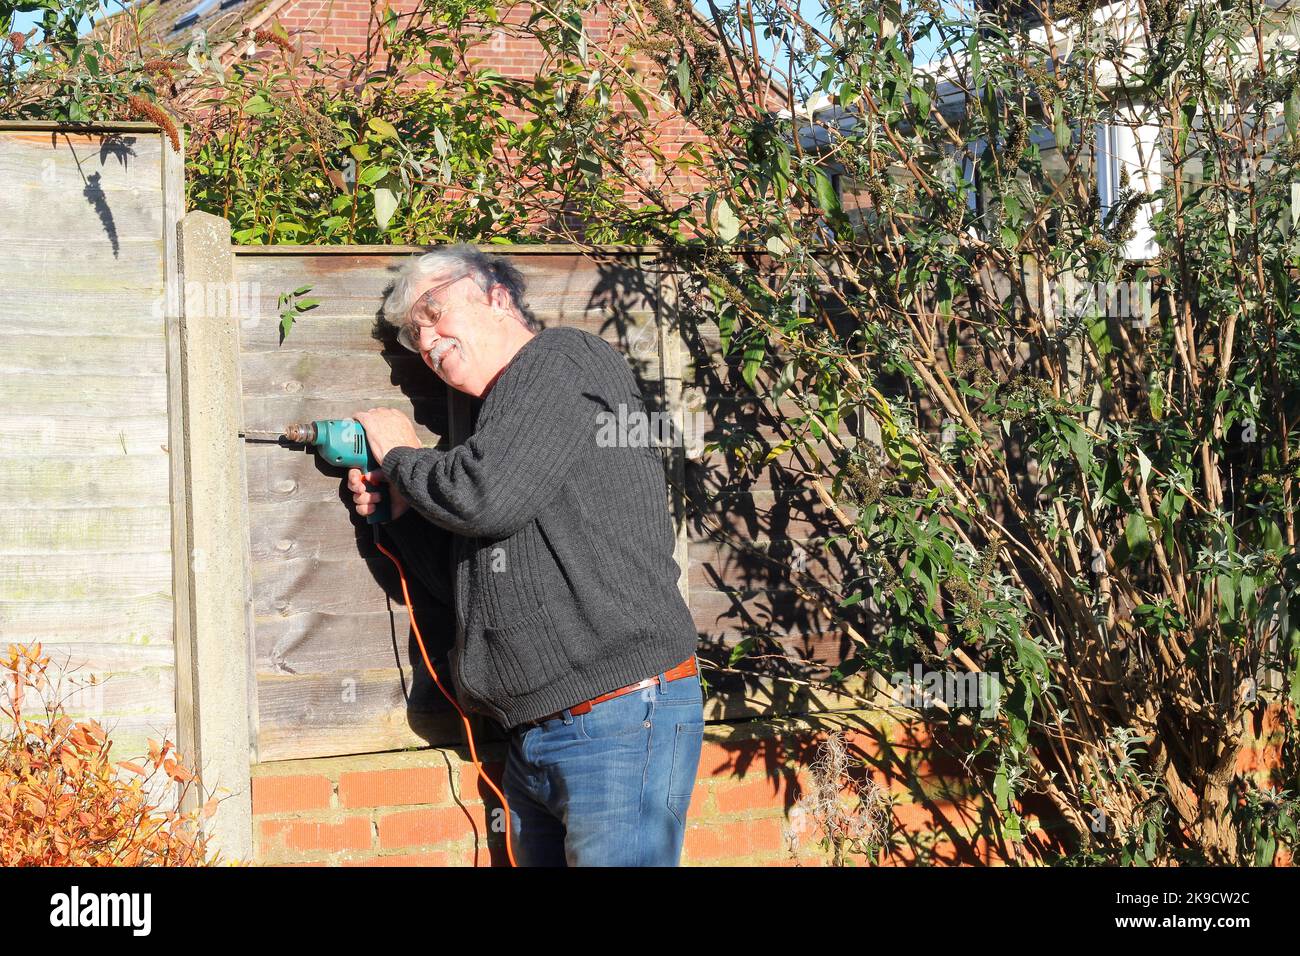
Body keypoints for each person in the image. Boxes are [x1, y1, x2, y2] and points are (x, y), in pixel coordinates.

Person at [346, 244, 704, 866]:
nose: (426, 338)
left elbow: (485, 498)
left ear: (497, 294)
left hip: (618, 715)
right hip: (536, 734)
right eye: (413, 333)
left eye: (434, 311)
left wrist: (402, 457)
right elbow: (467, 585)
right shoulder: (498, 432)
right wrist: (404, 513)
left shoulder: (562, 360)